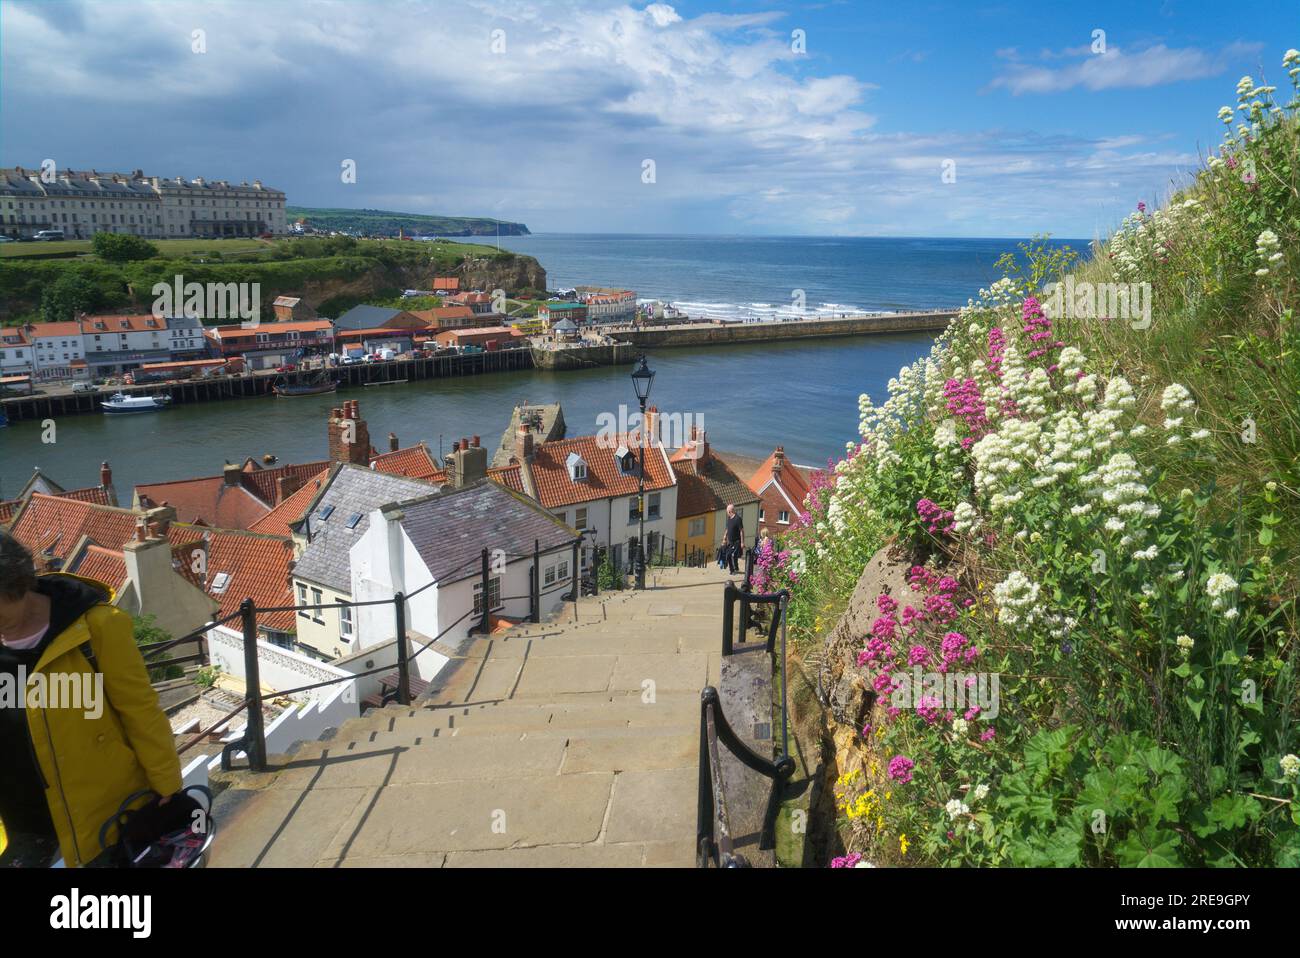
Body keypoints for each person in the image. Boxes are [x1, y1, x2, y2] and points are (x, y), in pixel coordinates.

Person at [0, 530, 182, 868]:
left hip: (102, 812)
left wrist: (167, 783)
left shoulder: (96, 627)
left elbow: (139, 709)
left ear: (17, 584)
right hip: (21, 823)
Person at [723, 503, 744, 575]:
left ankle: (732, 570)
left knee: (729, 555)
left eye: (727, 512)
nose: (727, 513)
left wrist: (742, 542)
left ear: (729, 511)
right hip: (730, 541)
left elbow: (741, 531)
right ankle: (736, 568)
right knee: (733, 555)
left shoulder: (738, 519)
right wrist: (724, 537)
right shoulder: (729, 518)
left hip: (737, 541)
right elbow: (727, 528)